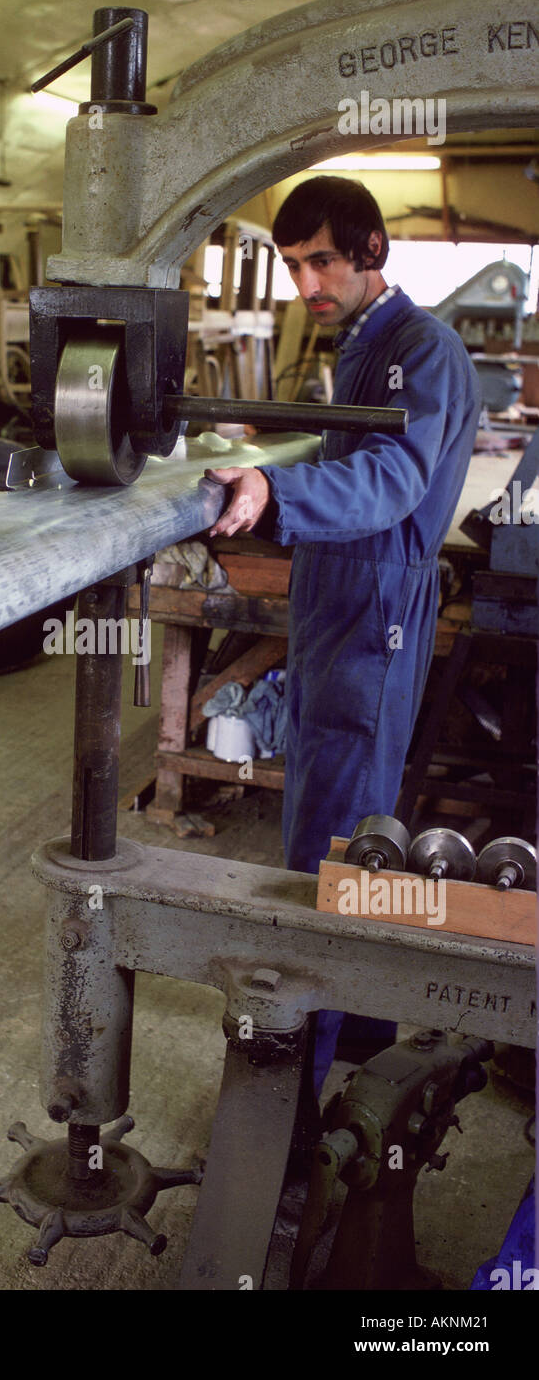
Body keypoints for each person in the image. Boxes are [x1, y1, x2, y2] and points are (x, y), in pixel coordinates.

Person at [205, 176, 481, 1085]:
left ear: (373, 253)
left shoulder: (422, 349)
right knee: (327, 816)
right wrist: (268, 455)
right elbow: (346, 456)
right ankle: (354, 1027)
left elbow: (392, 480)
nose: (306, 284)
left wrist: (279, 492)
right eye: (291, 266)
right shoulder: (360, 346)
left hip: (373, 608)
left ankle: (294, 1077)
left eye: (322, 260)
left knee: (336, 838)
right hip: (338, 594)